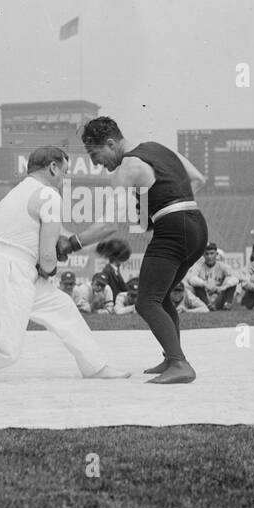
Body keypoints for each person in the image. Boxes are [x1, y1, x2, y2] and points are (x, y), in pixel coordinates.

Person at [0, 146, 130, 385]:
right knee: (6, 350)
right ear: (53, 167)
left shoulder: (20, 192)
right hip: (11, 270)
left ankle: (95, 366)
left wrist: (64, 248)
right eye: (63, 171)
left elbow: (54, 237)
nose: (64, 179)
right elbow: (47, 258)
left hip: (7, 266)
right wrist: (52, 264)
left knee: (62, 306)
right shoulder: (49, 194)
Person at [67, 117, 210, 384]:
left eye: (94, 155)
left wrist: (73, 242)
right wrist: (159, 203)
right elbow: (198, 179)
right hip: (196, 226)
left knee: (146, 302)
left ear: (110, 143)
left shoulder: (125, 169)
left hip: (173, 229)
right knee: (162, 295)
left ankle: (180, 364)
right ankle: (172, 357)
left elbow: (110, 225)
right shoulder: (160, 149)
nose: (96, 163)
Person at [185, 241, 239, 310]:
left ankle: (227, 304)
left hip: (218, 295)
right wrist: (205, 285)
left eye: (212, 253)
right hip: (204, 296)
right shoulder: (198, 266)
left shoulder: (222, 265)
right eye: (207, 254)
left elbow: (236, 279)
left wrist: (223, 287)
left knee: (231, 282)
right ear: (203, 255)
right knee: (197, 284)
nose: (209, 256)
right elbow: (191, 279)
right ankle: (208, 305)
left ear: (216, 254)